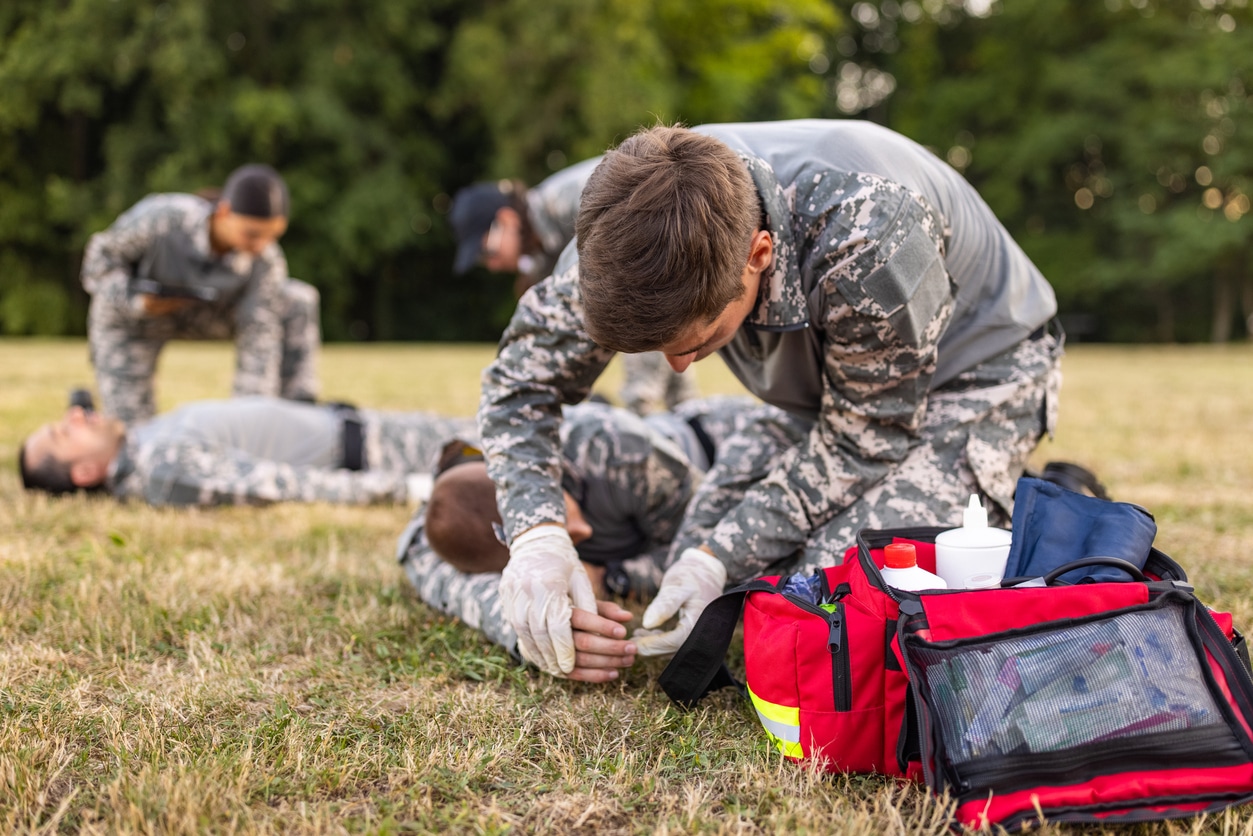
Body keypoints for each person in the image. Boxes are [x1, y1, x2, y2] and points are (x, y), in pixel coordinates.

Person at [477, 119, 1062, 677]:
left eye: (697, 342)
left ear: (758, 255)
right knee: (701, 557)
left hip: (977, 370)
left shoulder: (868, 232)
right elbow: (519, 385)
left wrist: (722, 557)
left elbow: (864, 440)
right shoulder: (618, 241)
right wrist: (536, 533)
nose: (679, 366)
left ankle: (1017, 497)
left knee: (829, 593)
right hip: (840, 387)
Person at [397, 396, 786, 681]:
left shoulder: (614, 450)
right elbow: (452, 582)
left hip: (730, 449)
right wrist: (535, 623)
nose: (582, 532)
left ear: (538, 487)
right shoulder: (444, 518)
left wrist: (616, 576)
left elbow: (712, 544)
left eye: (560, 515)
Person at [449, 162, 697, 416]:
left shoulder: (569, 201)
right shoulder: (543, 249)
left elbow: (643, 287)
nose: (491, 265)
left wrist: (638, 406)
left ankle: (681, 412)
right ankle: (684, 412)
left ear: (506, 220)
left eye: (486, 252)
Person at [82, 164, 321, 425]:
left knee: (297, 299)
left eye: (272, 236)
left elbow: (260, 333)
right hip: (136, 316)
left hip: (207, 315)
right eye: (252, 234)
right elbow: (98, 263)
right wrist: (136, 301)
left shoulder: (266, 259)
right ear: (224, 211)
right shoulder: (164, 218)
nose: (261, 245)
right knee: (130, 434)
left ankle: (297, 417)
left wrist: (251, 423)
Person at [18, 396, 475, 507]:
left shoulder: (139, 443)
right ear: (86, 473)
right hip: (384, 455)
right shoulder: (162, 469)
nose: (77, 414)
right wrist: (410, 487)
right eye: (65, 432)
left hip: (369, 429)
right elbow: (281, 485)